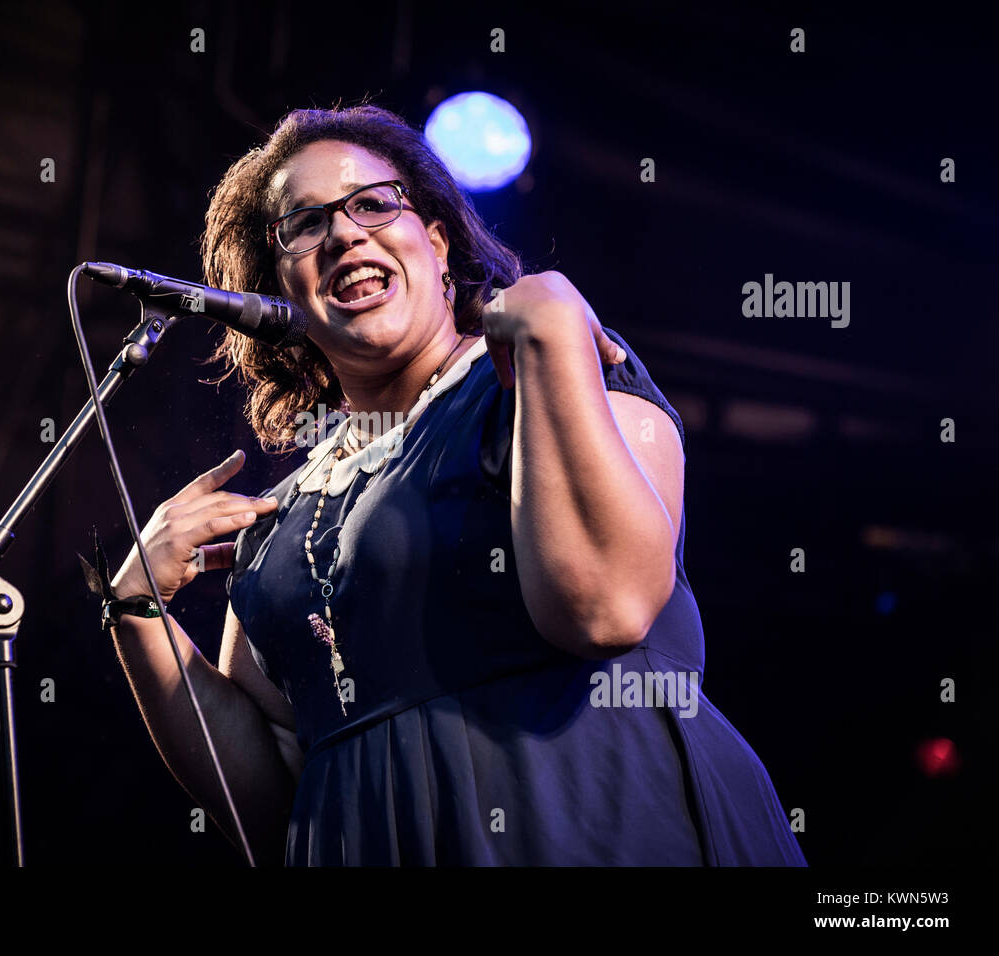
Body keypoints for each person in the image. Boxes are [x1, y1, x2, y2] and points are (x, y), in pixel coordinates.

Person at [103, 103, 807, 866]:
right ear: (282, 292)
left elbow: (607, 609)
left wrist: (549, 330)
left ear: (436, 244)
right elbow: (273, 802)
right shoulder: (277, 521)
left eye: (373, 203)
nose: (343, 234)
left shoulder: (549, 374)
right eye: (304, 224)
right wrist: (135, 609)